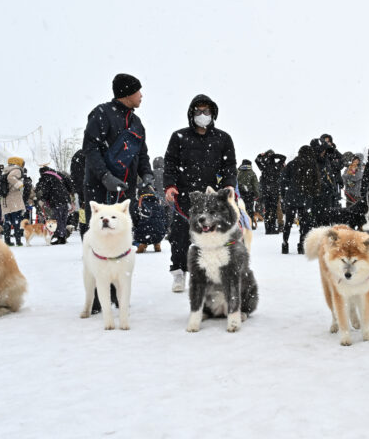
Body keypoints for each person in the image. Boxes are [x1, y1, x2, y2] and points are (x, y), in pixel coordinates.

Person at [82, 73, 153, 312]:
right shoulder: (101, 114)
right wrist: (104, 176)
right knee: (97, 241)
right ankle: (94, 297)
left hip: (125, 189)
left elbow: (141, 152)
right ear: (126, 92)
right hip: (99, 187)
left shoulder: (136, 122)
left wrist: (148, 175)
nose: (141, 95)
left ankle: (115, 293)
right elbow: (90, 148)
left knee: (121, 239)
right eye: (138, 91)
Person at [163, 94, 237, 292]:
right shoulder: (179, 137)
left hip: (211, 196)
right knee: (180, 235)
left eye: (206, 111)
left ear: (213, 113)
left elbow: (229, 166)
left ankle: (211, 274)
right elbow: (169, 163)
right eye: (198, 111)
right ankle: (179, 272)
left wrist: (229, 184)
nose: (202, 114)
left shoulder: (223, 138)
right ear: (191, 113)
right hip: (184, 195)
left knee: (211, 236)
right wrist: (169, 185)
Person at [280, 145, 319, 254]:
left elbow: (283, 181)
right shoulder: (312, 165)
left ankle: (285, 243)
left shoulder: (291, 164)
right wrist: (313, 196)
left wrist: (284, 196)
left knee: (288, 222)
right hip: (305, 199)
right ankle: (301, 245)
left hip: (291, 198)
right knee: (304, 223)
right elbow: (316, 184)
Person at [35, 164, 72, 244]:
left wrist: (42, 199)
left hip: (56, 200)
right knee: (63, 219)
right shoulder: (58, 174)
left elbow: (45, 190)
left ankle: (60, 238)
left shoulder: (45, 177)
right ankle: (62, 236)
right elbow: (69, 183)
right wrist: (67, 194)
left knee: (56, 219)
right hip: (65, 200)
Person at [255, 149, 287, 234]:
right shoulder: (277, 166)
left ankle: (268, 229)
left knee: (268, 210)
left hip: (266, 191)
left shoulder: (264, 166)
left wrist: (262, 155)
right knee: (273, 209)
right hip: (274, 191)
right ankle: (272, 228)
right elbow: (284, 157)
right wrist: (274, 155)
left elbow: (256, 160)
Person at [1, 157, 27, 246]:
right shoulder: (16, 170)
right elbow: (10, 177)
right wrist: (20, 185)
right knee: (16, 221)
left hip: (5, 200)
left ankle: (7, 241)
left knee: (7, 221)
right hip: (14, 199)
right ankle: (18, 241)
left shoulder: (6, 170)